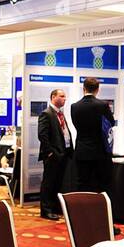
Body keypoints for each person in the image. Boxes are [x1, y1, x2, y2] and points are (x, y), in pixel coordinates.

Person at [70, 76, 114, 194]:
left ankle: (82, 211)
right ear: (97, 89)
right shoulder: (103, 105)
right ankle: (100, 211)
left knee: (82, 184)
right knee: (101, 185)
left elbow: (76, 125)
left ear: (83, 89)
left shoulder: (74, 106)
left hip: (82, 150)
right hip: (99, 152)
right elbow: (111, 123)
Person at [36, 88, 73, 220]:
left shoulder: (60, 114)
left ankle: (55, 208)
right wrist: (50, 153)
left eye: (65, 96)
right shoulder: (46, 114)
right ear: (53, 97)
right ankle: (46, 210)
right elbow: (42, 136)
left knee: (57, 183)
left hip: (63, 154)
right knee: (49, 183)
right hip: (53, 155)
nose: (64, 99)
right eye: (62, 96)